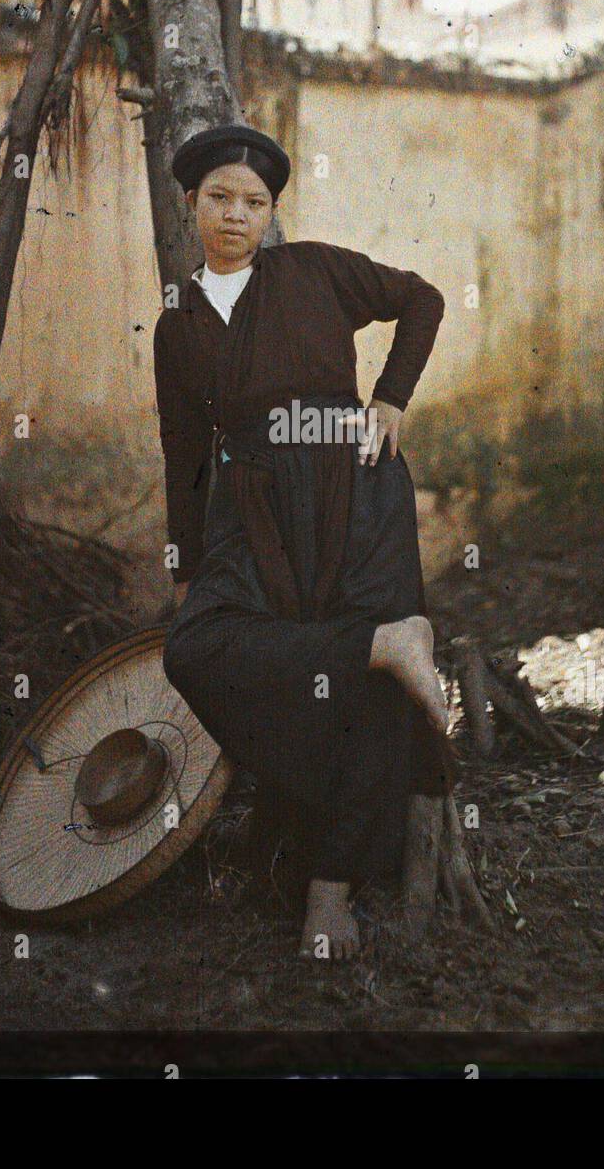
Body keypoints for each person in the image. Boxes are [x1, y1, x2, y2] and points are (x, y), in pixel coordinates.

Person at [154, 123, 454, 960]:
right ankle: (382, 642)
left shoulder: (314, 270)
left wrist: (391, 399)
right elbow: (183, 447)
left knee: (373, 702)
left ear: (272, 214)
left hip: (355, 490)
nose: (236, 216)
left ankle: (330, 892)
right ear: (190, 205)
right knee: (199, 649)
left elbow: (422, 299)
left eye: (254, 203)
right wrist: (188, 565)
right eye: (219, 198)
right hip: (255, 517)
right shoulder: (178, 322)